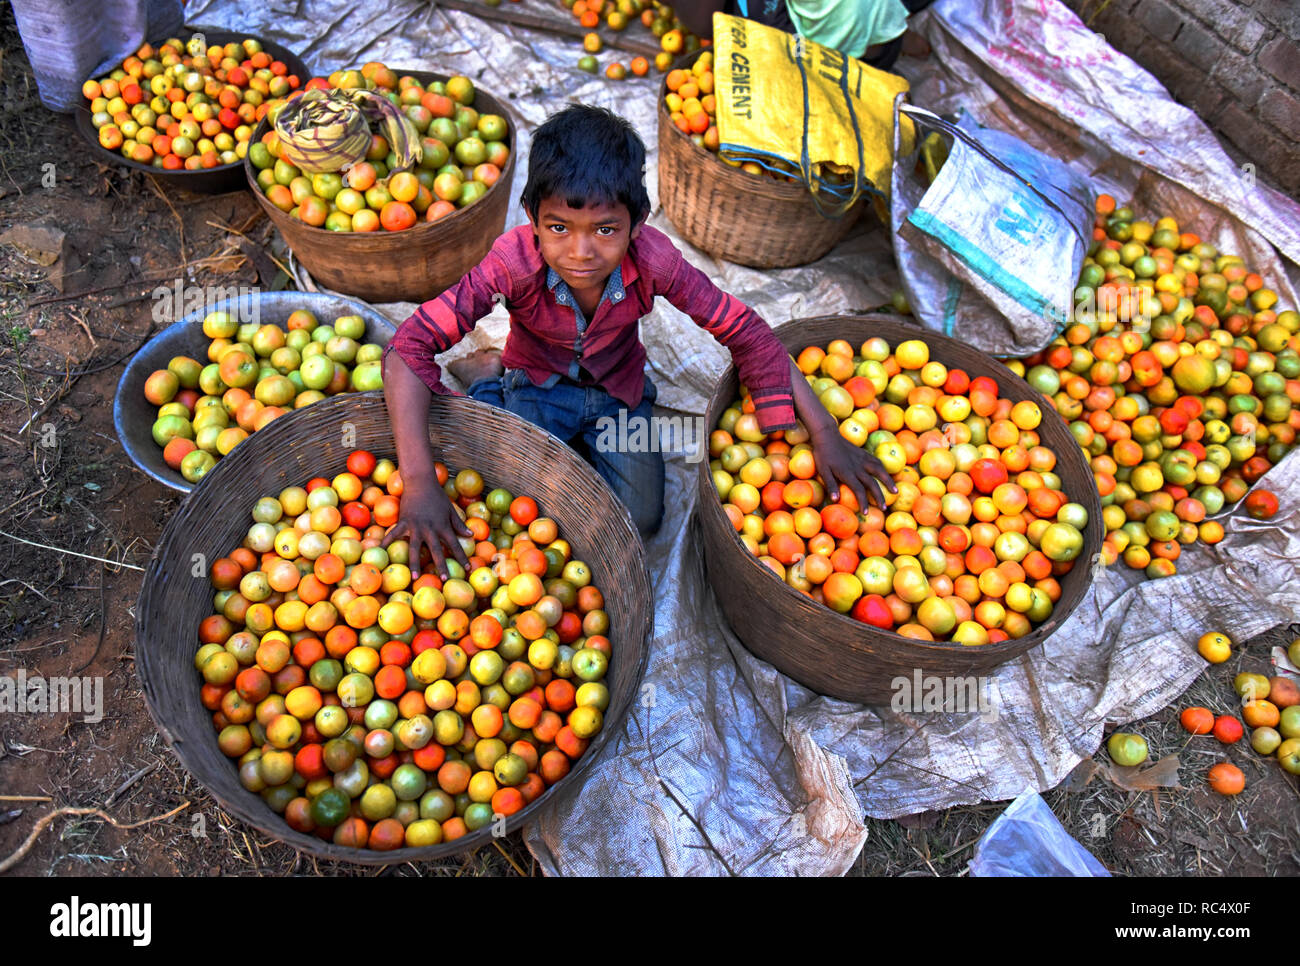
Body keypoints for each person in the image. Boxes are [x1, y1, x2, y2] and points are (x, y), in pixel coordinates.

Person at [382, 105, 895, 578]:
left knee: (642, 518)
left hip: (619, 396)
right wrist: (420, 482)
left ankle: (499, 384)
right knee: (517, 500)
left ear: (637, 223)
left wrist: (824, 432)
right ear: (532, 219)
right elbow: (407, 349)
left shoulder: (653, 261)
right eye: (559, 226)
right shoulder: (512, 261)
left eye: (606, 230)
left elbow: (748, 332)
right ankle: (490, 382)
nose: (581, 251)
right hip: (537, 384)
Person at [675, 0, 933, 71]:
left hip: (838, 59)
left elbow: (703, 24)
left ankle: (887, 42)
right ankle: (895, 36)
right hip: (886, 16)